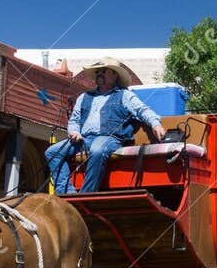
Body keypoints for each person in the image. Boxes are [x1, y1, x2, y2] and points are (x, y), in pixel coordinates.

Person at [45, 58, 166, 194]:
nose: (99, 74)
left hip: (110, 138)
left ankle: (86, 195)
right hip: (84, 139)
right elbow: (74, 120)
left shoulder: (124, 95)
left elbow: (142, 110)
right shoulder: (84, 96)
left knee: (97, 150)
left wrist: (155, 124)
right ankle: (66, 193)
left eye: (104, 71)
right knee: (52, 152)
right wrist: (74, 131)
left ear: (115, 75)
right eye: (97, 72)